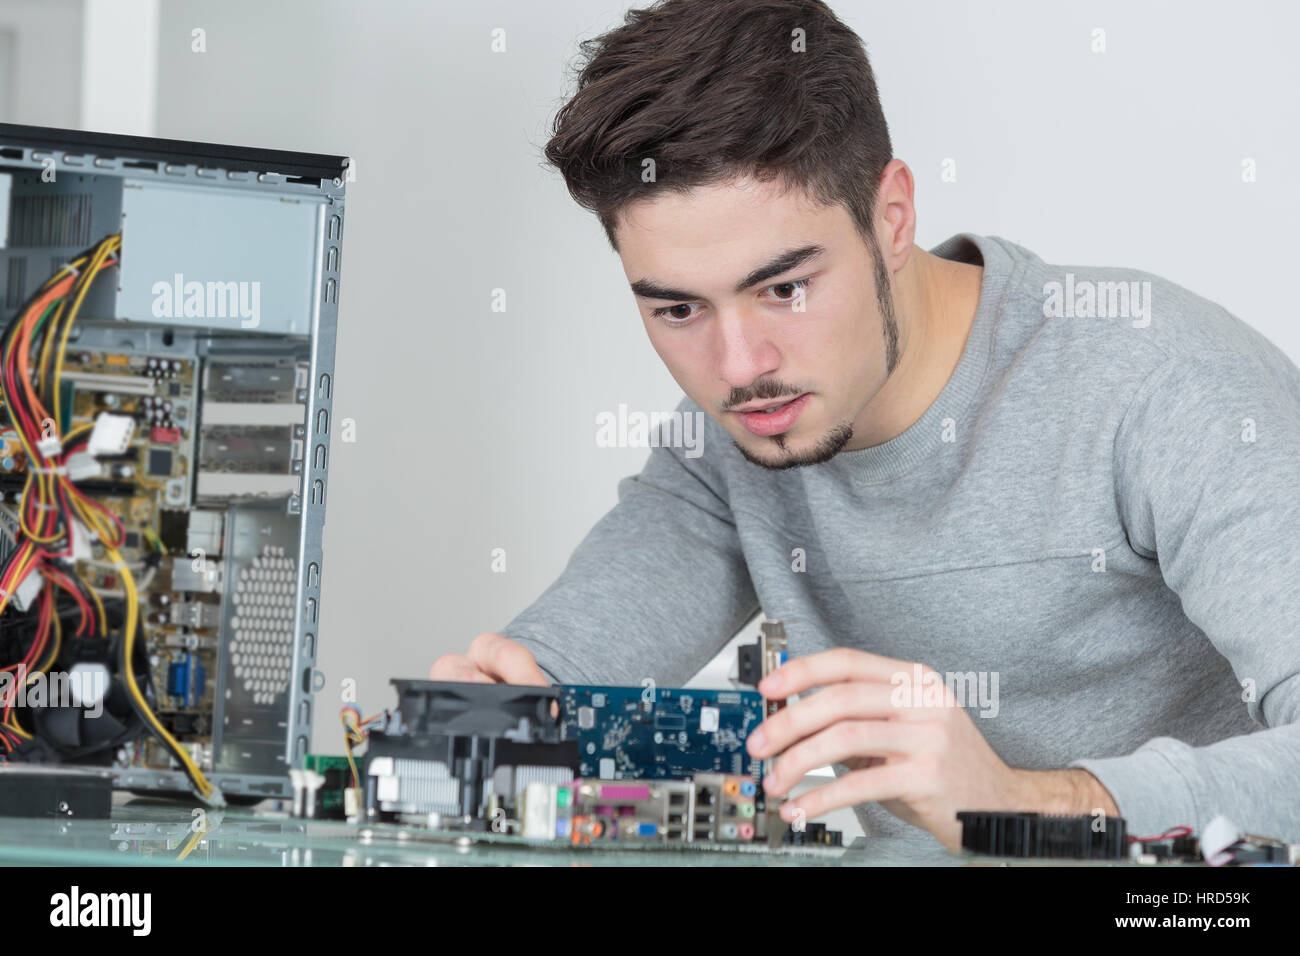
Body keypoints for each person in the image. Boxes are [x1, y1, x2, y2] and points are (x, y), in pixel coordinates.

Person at [431, 0, 1300, 850]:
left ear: (891, 219)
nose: (739, 366)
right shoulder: (732, 442)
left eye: (784, 288)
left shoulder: (1162, 381)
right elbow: (552, 681)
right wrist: (488, 717)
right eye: (679, 309)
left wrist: (1019, 809)